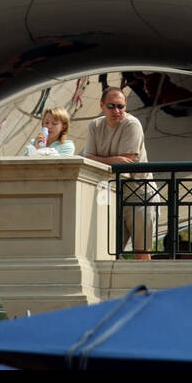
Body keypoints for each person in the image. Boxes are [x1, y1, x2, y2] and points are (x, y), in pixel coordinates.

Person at [82, 87, 154, 259]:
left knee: (141, 250)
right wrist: (114, 160)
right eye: (111, 106)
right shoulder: (95, 125)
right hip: (111, 194)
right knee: (108, 250)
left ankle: (145, 285)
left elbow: (125, 163)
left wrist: (100, 159)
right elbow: (88, 158)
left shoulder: (132, 124)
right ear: (101, 106)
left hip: (139, 193)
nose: (116, 111)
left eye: (121, 106)